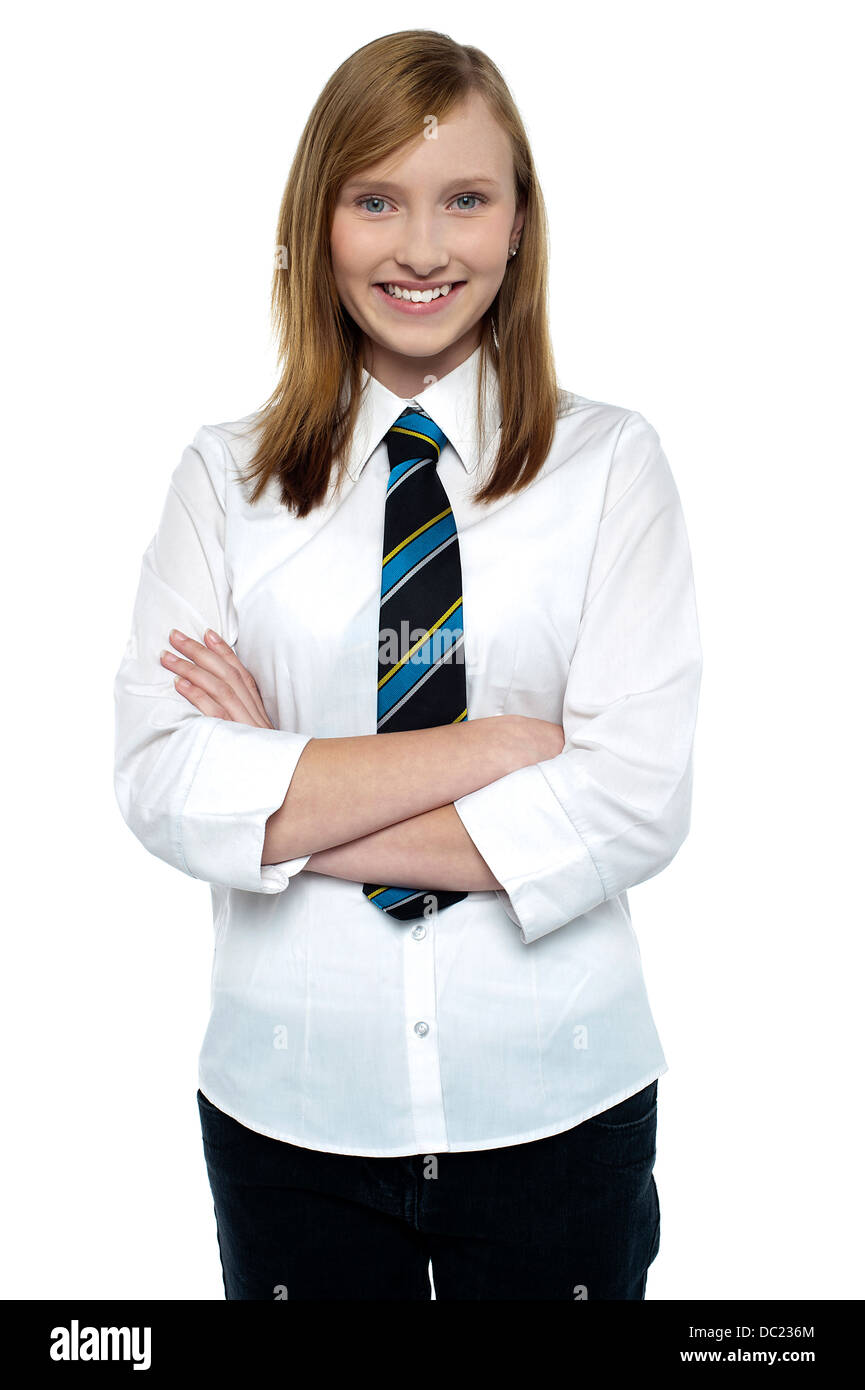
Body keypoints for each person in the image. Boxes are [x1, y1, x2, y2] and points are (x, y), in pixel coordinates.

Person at [113, 29, 702, 1301]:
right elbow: (164, 781)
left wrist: (276, 803)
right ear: (316, 222)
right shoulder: (227, 481)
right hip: (291, 1112)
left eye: (465, 200)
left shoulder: (611, 469)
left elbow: (635, 800)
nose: (423, 248)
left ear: (517, 224)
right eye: (376, 199)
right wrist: (494, 750)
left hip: (559, 1098)